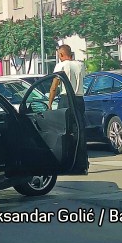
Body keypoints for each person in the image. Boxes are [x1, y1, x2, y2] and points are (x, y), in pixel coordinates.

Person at [49, 45, 88, 174]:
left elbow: (54, 86)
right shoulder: (80, 65)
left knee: (65, 131)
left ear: (61, 54)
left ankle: (67, 161)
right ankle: (82, 162)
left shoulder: (61, 66)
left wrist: (49, 104)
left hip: (66, 99)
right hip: (79, 100)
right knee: (79, 131)